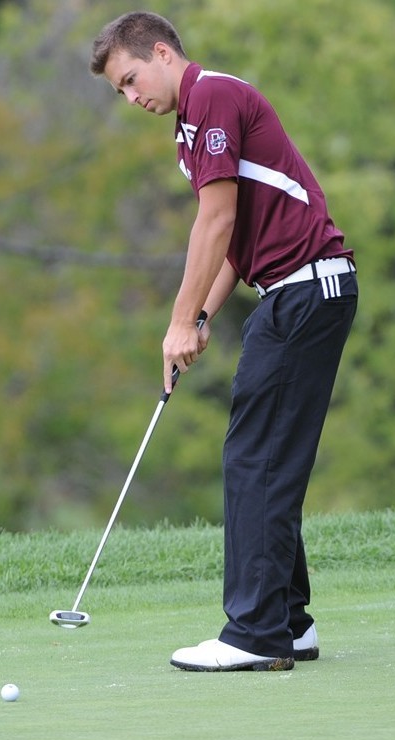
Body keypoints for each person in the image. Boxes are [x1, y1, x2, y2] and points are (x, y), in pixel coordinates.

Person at [90, 12, 359, 672]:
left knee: (254, 456)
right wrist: (204, 316)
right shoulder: (189, 132)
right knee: (263, 453)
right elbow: (237, 244)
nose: (131, 98)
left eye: (130, 80)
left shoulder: (212, 94)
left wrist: (179, 320)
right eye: (119, 92)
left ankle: (256, 632)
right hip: (297, 292)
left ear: (160, 52)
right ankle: (289, 622)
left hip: (304, 290)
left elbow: (216, 219)